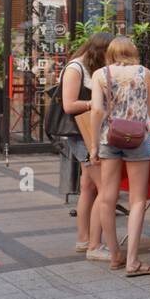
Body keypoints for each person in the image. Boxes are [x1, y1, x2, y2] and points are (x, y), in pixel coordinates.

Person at [89, 36, 150, 277]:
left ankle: (114, 255)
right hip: (138, 138)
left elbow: (97, 110)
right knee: (137, 200)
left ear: (110, 53)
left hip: (109, 137)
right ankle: (133, 261)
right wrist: (143, 128)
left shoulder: (100, 74)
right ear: (132, 52)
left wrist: (93, 144)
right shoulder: (144, 73)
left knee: (107, 197)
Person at [61, 31, 113, 260]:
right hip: (80, 133)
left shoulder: (93, 68)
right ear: (100, 51)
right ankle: (94, 246)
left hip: (90, 132)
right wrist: (93, 103)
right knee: (105, 189)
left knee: (89, 187)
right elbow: (68, 105)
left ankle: (84, 240)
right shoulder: (76, 68)